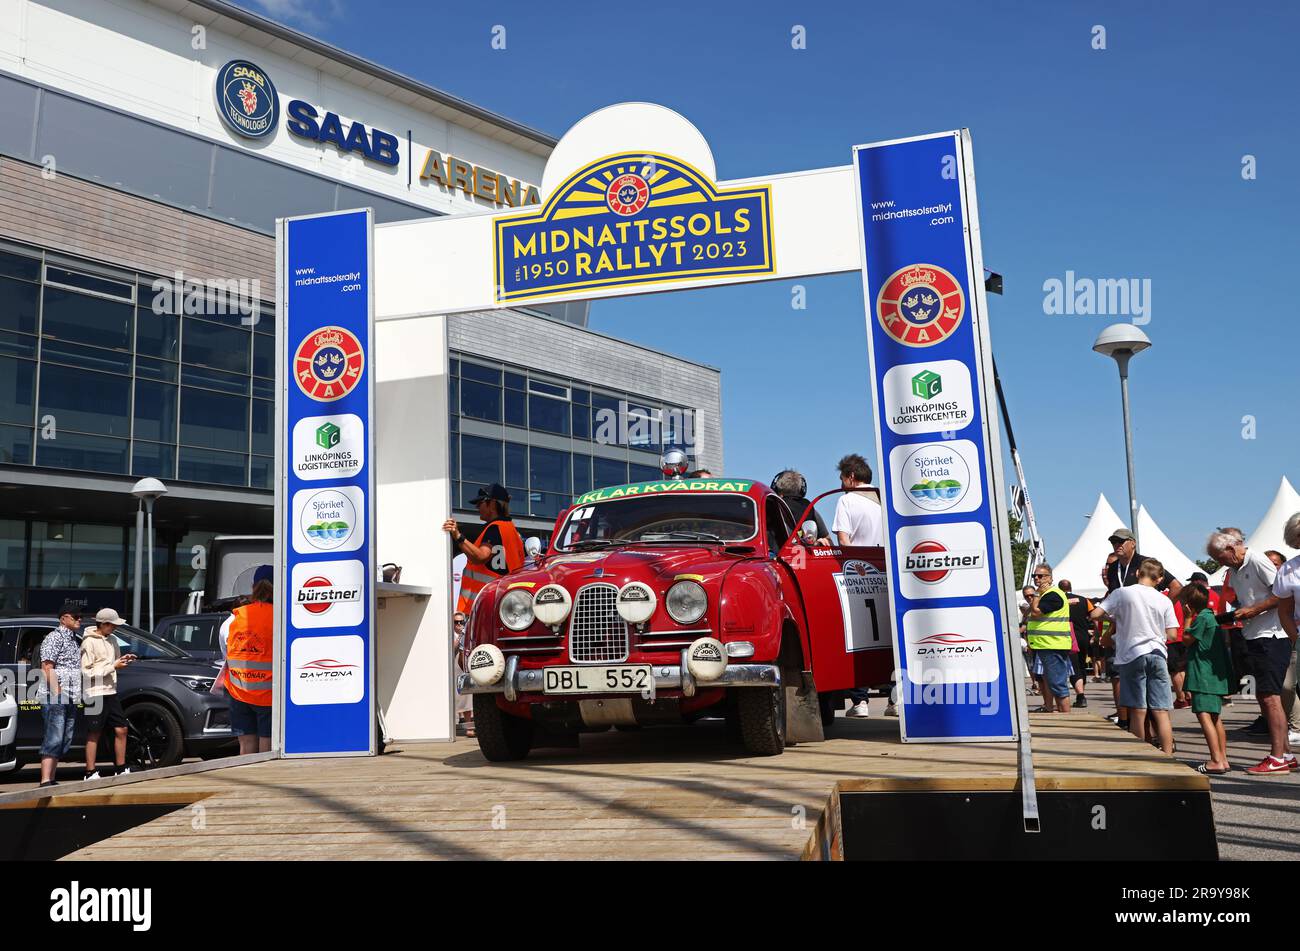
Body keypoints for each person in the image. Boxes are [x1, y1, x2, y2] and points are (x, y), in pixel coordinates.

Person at [1204, 530, 1293, 774]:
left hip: (1272, 635)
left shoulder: (1257, 560)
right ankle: (1284, 753)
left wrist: (1253, 610)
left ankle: (1278, 758)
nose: (1219, 563)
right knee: (1265, 697)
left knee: (1269, 697)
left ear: (1232, 549)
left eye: (1220, 557)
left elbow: (1282, 595)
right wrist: (1237, 612)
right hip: (1255, 635)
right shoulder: (1234, 569)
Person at [1090, 558, 1177, 754]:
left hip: (1132, 654)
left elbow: (1095, 614)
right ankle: (1167, 754)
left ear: (1138, 573)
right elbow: (1172, 634)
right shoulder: (1164, 600)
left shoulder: (1122, 593)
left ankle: (1141, 755)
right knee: (1161, 711)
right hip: (1157, 653)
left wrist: (1113, 616)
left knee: (1138, 710)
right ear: (1160, 578)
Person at [443, 483, 525, 616]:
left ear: (492, 504)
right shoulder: (512, 530)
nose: (477, 507)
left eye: (480, 503)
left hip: (486, 604)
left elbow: (480, 556)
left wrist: (457, 535)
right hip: (505, 604)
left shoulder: (495, 528)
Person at [1180, 583, 1232, 774]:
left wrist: (1187, 619)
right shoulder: (1211, 617)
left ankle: (1215, 760)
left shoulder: (1200, 619)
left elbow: (1186, 639)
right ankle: (1223, 758)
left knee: (1204, 716)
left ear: (1189, 604)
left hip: (1203, 675)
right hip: (1213, 675)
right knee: (1215, 717)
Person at [80, 608, 135, 780]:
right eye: (112, 625)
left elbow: (113, 662)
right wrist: (113, 666)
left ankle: (120, 768)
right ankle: (90, 772)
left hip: (111, 691)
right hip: (94, 692)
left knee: (121, 729)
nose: (115, 628)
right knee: (94, 731)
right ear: (103, 624)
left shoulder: (112, 640)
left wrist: (123, 661)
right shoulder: (88, 642)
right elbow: (86, 672)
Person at [226, 565, 274, 754]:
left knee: (245, 744)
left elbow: (227, 650)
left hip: (239, 690)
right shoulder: (279, 616)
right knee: (267, 744)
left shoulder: (238, 616)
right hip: (268, 692)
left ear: (253, 586)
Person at [37, 603, 84, 788]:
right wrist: (59, 694)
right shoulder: (54, 638)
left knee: (64, 738)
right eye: (75, 616)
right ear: (64, 618)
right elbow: (47, 667)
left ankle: (51, 778)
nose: (79, 619)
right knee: (54, 737)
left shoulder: (73, 639)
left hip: (70, 696)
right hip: (56, 696)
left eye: (80, 616)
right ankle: (45, 780)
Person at [1025, 565, 1072, 712]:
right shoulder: (1047, 595)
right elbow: (1030, 612)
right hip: (1047, 645)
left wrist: (1037, 595)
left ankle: (1067, 720)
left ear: (1050, 578)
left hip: (1052, 645)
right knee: (1053, 683)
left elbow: (1036, 612)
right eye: (1035, 576)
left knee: (1058, 685)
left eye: (1041, 576)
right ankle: (1062, 716)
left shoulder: (1053, 594)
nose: (1037, 579)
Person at [1272, 513, 1300, 747]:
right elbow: (1284, 612)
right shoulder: (1289, 570)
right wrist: (1296, 639)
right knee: (1287, 686)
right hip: (1298, 638)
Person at [1105, 528, 1182, 601]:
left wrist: (1162, 608)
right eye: (1113, 541)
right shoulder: (1112, 568)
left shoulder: (1146, 564)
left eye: (1121, 541)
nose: (1117, 544)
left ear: (1133, 543)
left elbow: (1176, 586)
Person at [831, 454, 883, 547]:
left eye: (842, 480)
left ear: (851, 476)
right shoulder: (883, 499)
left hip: (860, 559)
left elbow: (843, 541)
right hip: (885, 559)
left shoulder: (846, 500)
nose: (841, 486)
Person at [771, 469, 830, 545]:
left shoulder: (771, 508)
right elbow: (828, 541)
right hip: (804, 554)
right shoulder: (809, 509)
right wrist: (818, 543)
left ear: (776, 489)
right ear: (801, 490)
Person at [1059, 579, 1092, 708]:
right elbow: (1093, 616)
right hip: (1083, 636)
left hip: (1069, 637)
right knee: (1082, 665)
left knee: (1074, 667)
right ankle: (1081, 693)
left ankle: (1081, 696)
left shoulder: (1058, 601)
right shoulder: (1084, 600)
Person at [452, 611, 474, 738]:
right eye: (456, 622)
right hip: (453, 671)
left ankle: (469, 728)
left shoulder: (467, 634)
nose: (459, 624)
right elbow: (453, 649)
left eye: (461, 622)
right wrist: (460, 637)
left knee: (467, 700)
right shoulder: (451, 635)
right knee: (455, 699)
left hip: (464, 669)